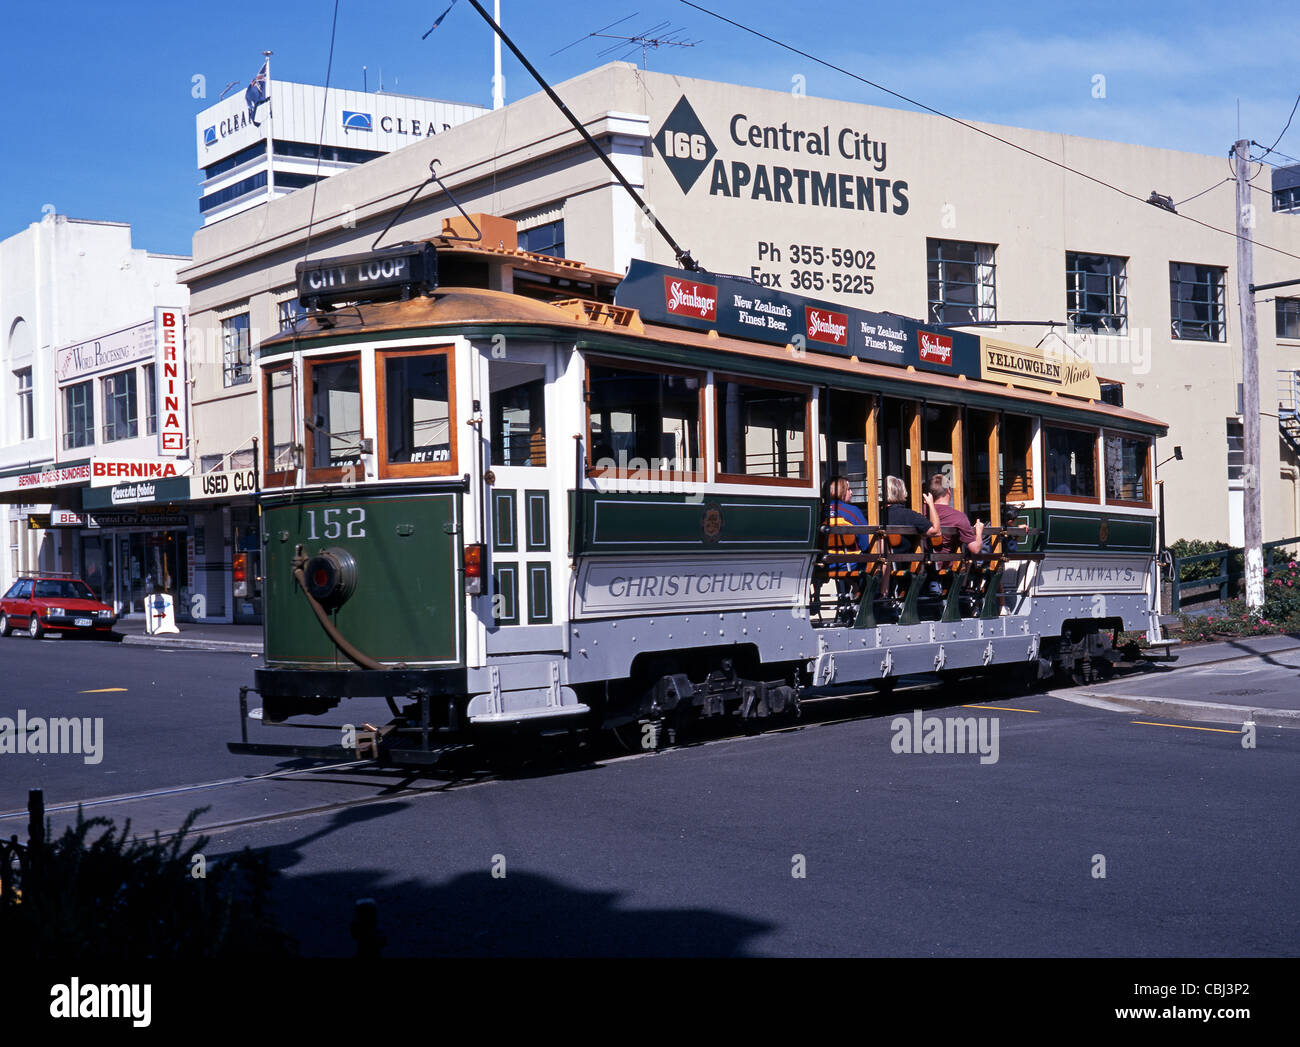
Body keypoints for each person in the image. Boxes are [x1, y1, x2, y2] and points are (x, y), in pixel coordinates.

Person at [823, 477, 869, 601]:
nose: (851, 492)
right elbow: (866, 543)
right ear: (841, 491)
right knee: (876, 561)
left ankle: (850, 593)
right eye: (848, 489)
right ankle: (869, 601)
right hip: (849, 563)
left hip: (825, 563)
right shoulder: (852, 511)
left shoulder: (821, 511)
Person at [927, 474, 984, 556]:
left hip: (921, 564)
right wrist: (978, 532)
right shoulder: (958, 517)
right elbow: (975, 549)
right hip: (947, 565)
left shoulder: (920, 512)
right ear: (948, 491)